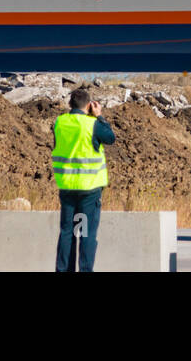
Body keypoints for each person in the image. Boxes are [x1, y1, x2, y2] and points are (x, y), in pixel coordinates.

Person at [52, 87, 115, 272]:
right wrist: (99, 117)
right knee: (86, 233)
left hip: (67, 187)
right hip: (89, 189)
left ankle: (63, 269)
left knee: (67, 232)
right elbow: (110, 138)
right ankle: (85, 269)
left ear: (70, 104)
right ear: (88, 106)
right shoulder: (92, 124)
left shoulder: (60, 122)